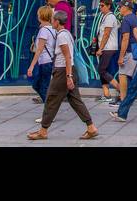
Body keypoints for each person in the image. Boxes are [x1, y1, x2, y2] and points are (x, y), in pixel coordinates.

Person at [27, 10, 98, 140]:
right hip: (66, 71)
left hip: (63, 72)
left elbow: (67, 57)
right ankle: (91, 127)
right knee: (75, 100)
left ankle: (43, 131)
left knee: (51, 100)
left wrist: (68, 77)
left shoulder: (62, 36)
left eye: (53, 20)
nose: (52, 22)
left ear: (57, 22)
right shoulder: (65, 34)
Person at [89, 0, 120, 104]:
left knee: (101, 70)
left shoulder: (110, 17)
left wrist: (100, 48)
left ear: (108, 6)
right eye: (99, 6)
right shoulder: (105, 17)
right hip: (106, 47)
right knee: (103, 71)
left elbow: (106, 34)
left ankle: (121, 89)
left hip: (108, 48)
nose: (100, 8)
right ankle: (106, 94)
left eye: (102, 6)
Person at [25, 5, 56, 105]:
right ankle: (50, 107)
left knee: (41, 86)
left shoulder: (43, 31)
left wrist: (31, 66)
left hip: (45, 62)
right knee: (41, 85)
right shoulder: (52, 29)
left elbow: (39, 50)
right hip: (50, 61)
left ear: (40, 16)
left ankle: (50, 109)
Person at [112, 0, 137, 109]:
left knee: (122, 75)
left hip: (129, 52)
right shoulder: (136, 18)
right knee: (135, 77)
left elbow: (125, 38)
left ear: (126, 7)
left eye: (120, 6)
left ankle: (123, 99)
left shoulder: (126, 20)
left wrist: (121, 56)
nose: (119, 8)